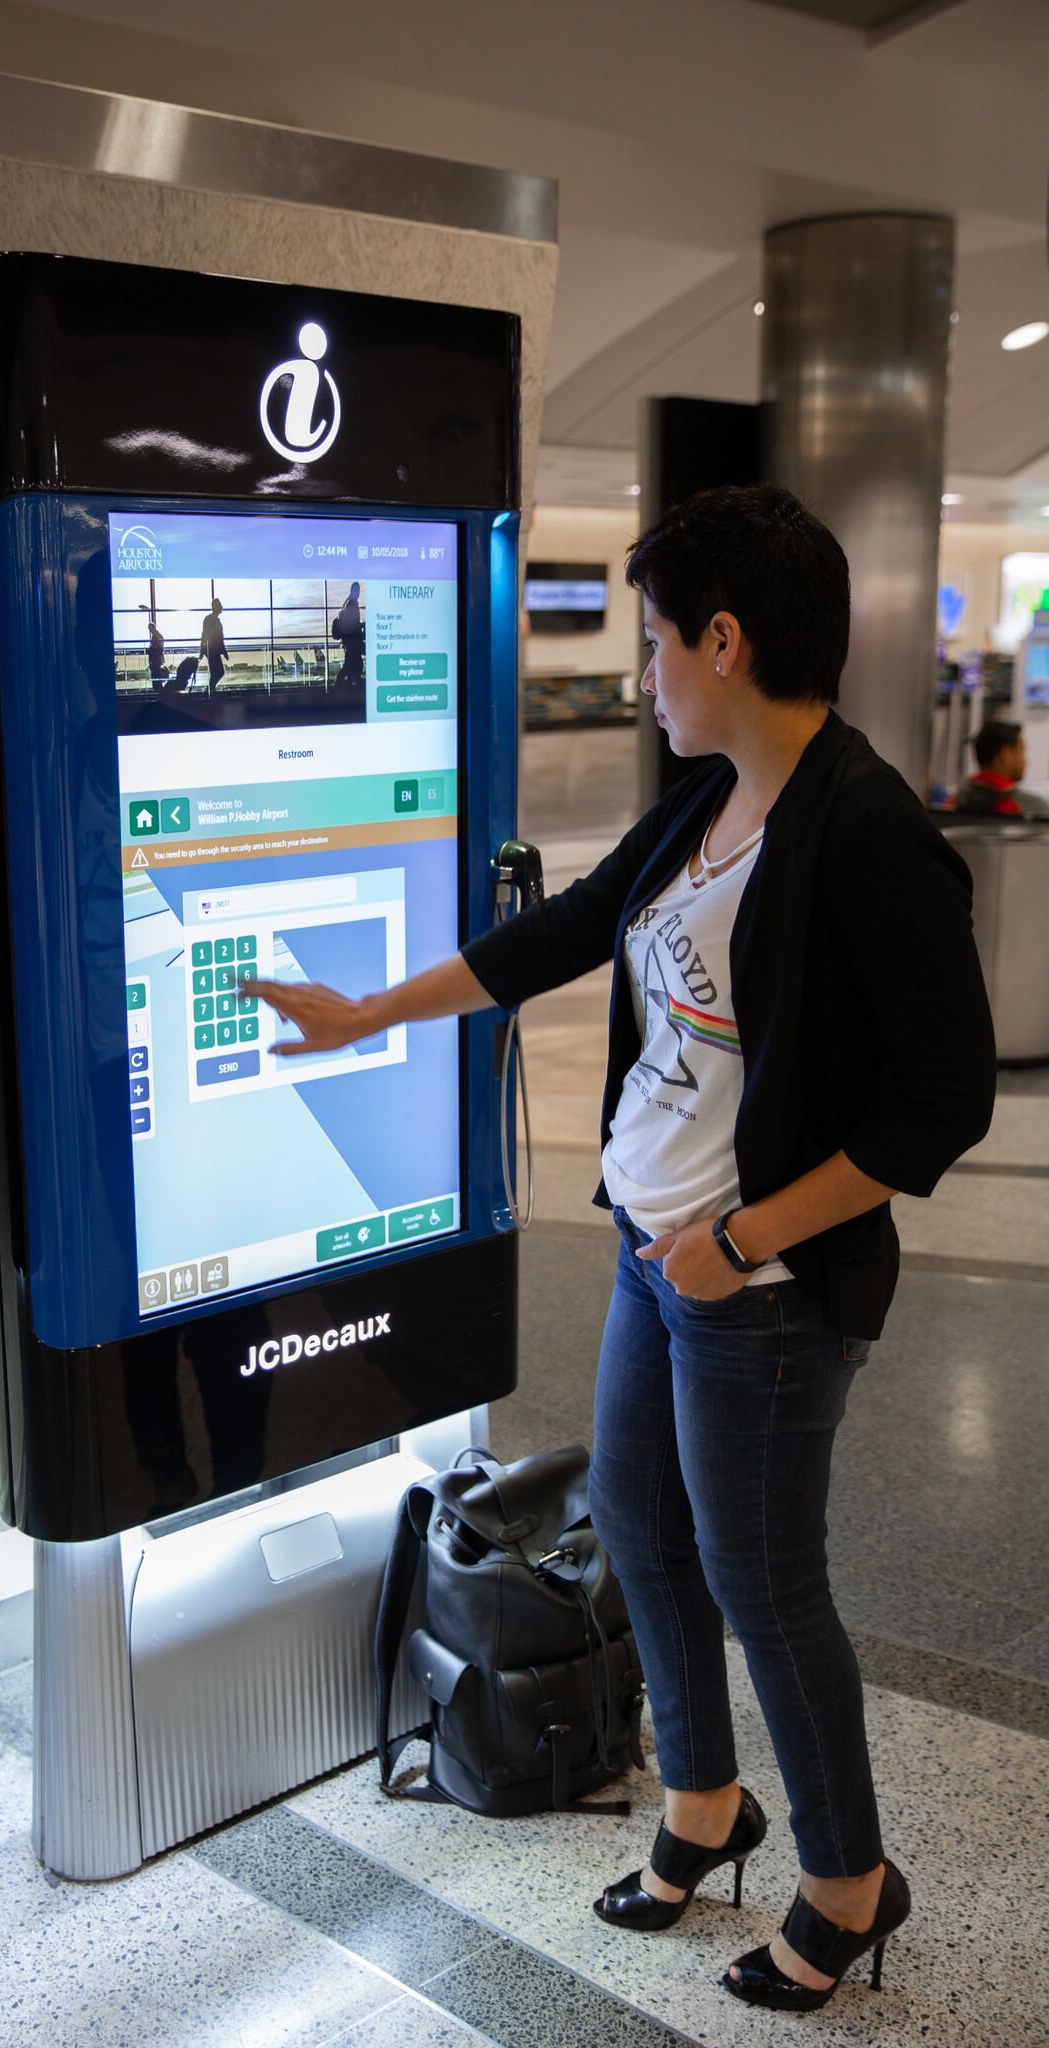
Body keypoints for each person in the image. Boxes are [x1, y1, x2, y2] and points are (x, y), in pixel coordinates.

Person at [248, 485, 996, 2015]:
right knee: (646, 1544)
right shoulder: (705, 801)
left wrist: (738, 1235)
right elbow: (568, 930)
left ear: (724, 640)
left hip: (765, 1288)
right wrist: (365, 1013)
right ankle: (706, 1805)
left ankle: (848, 1882)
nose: (645, 674)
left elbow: (943, 1100)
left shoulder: (863, 833)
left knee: (765, 1583)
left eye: (657, 644)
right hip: (659, 1263)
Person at [956, 719, 1048, 818]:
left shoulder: (953, 802)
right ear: (1005, 754)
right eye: (1021, 752)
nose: (1025, 760)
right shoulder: (1031, 807)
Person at [332, 581, 365, 686]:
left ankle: (344, 687)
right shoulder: (352, 603)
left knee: (350, 666)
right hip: (352, 642)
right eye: (357, 590)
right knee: (355, 665)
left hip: (349, 642)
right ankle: (343, 687)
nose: (358, 592)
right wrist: (361, 626)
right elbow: (352, 624)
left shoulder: (347, 602)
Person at [200, 598, 227, 689]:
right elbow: (217, 637)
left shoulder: (209, 619)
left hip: (211, 650)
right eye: (220, 605)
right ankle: (210, 691)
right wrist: (223, 650)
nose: (222, 607)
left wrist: (202, 650)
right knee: (218, 672)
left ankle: (210, 691)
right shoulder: (212, 620)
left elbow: (204, 635)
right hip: (213, 650)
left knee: (216, 672)